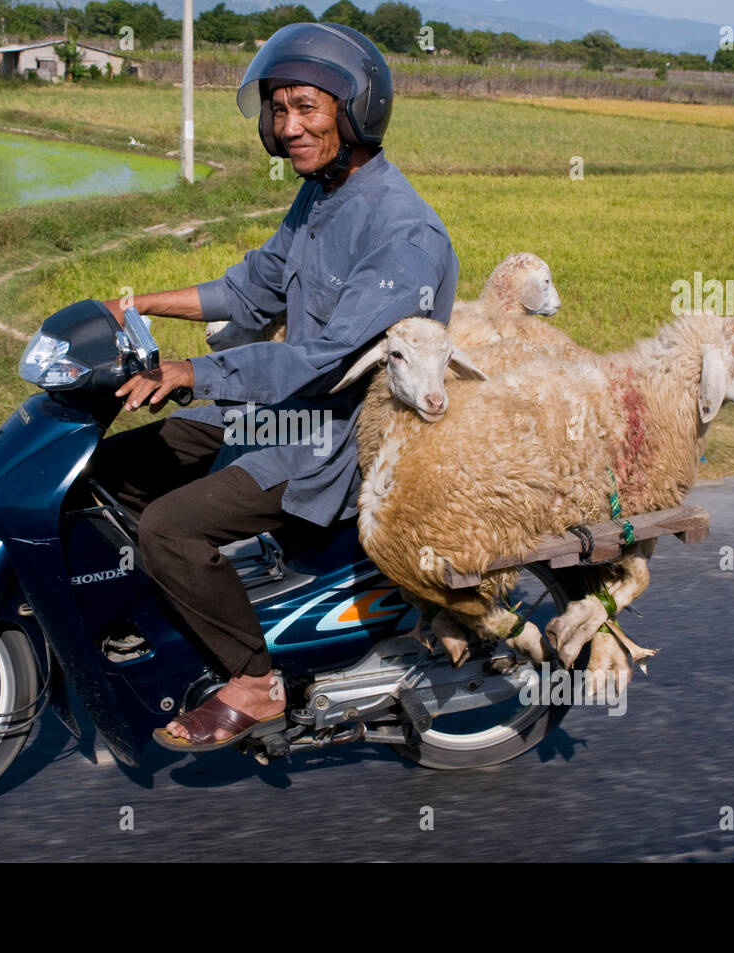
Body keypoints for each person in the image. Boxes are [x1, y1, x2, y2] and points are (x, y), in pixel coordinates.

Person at [87, 21, 460, 753]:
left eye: (306, 109)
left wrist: (193, 373)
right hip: (275, 413)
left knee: (170, 526)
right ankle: (157, 618)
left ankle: (255, 683)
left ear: (356, 111)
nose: (287, 127)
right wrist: (134, 306)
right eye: (277, 110)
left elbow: (322, 360)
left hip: (329, 438)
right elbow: (252, 287)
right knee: (110, 473)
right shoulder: (323, 196)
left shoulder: (402, 232)